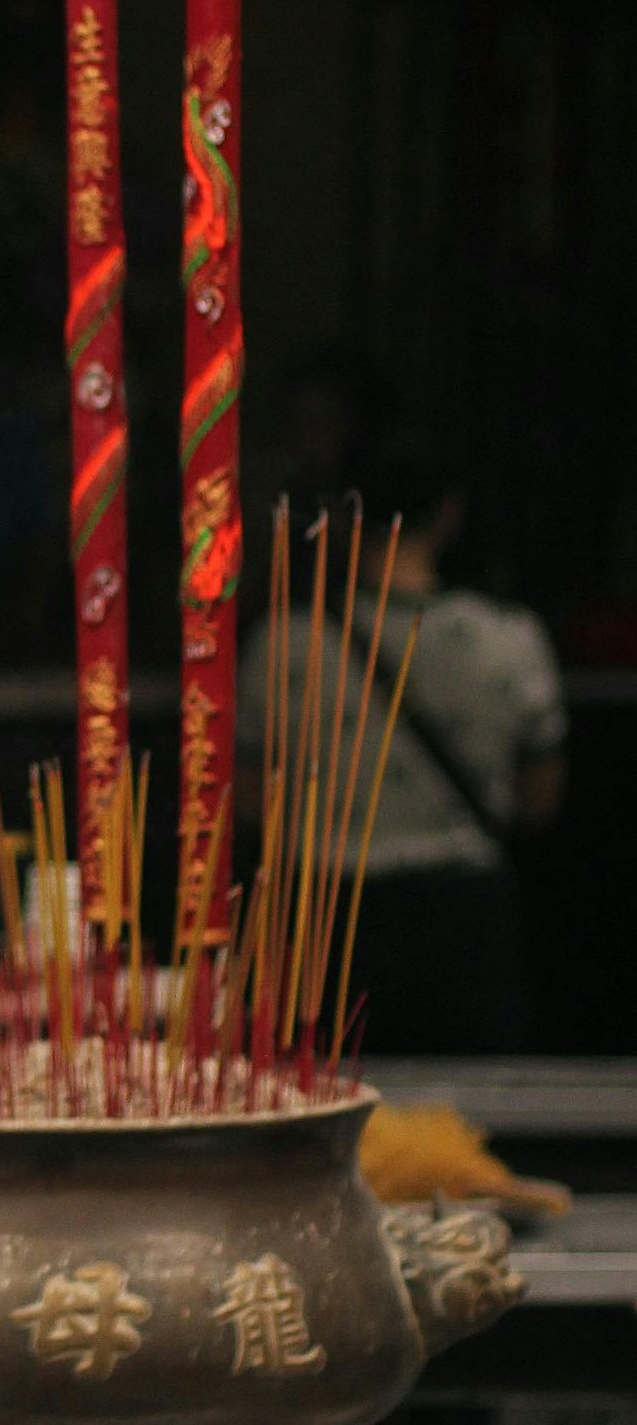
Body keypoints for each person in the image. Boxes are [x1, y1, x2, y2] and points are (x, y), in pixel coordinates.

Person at [238, 446, 567, 1057]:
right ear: (448, 515)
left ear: (342, 519)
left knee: (330, 1102)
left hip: (329, 915)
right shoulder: (509, 639)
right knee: (478, 1112)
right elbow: (540, 798)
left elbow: (253, 803)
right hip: (466, 910)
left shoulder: (284, 643)